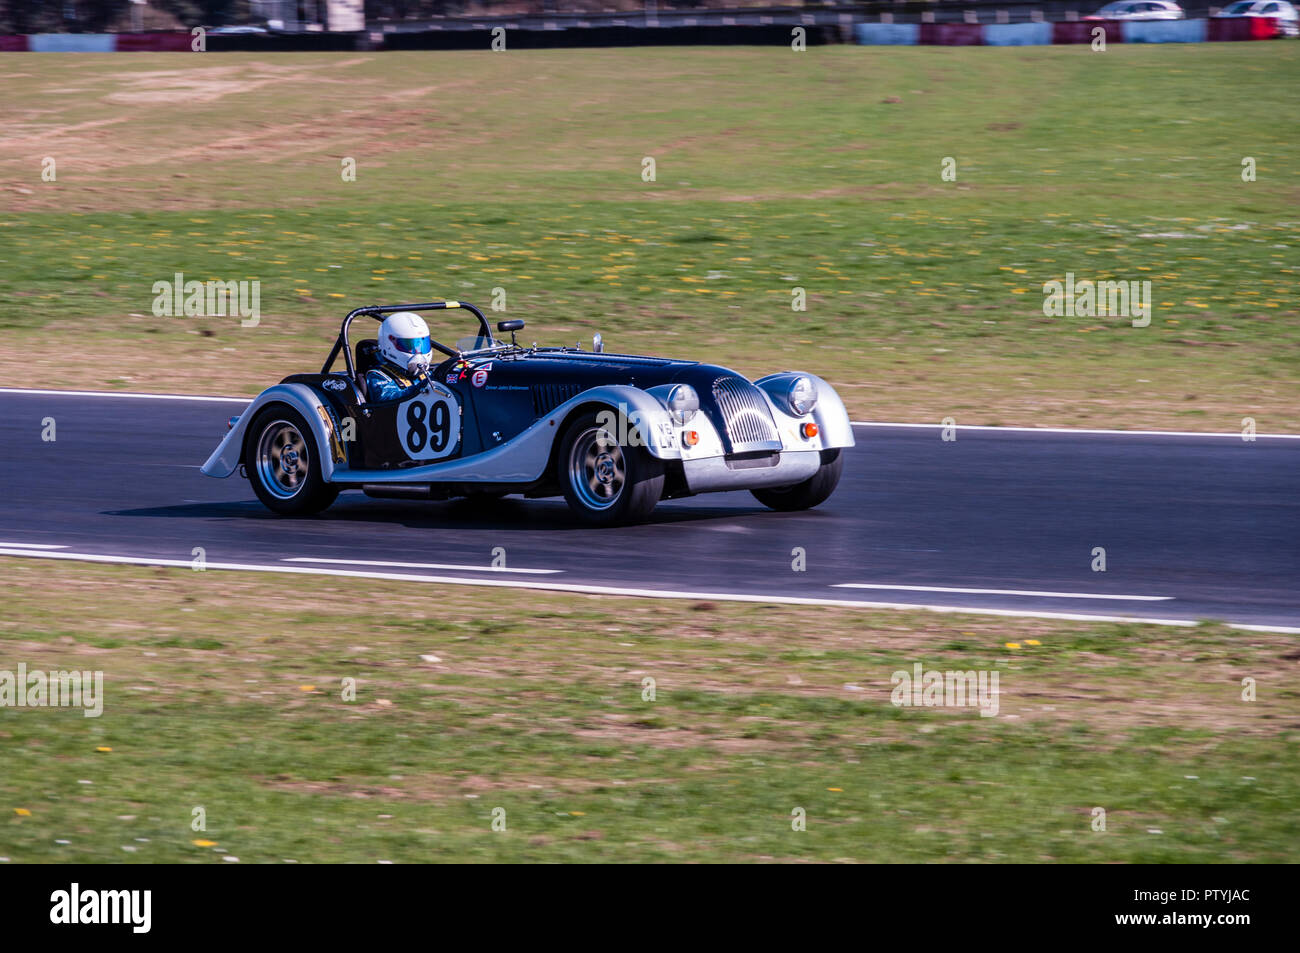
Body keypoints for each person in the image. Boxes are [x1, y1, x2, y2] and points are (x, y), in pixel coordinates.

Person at [366, 311, 435, 402]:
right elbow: (387, 398)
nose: (418, 352)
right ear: (389, 345)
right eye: (409, 346)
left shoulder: (425, 373)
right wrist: (424, 386)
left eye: (421, 345)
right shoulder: (378, 375)